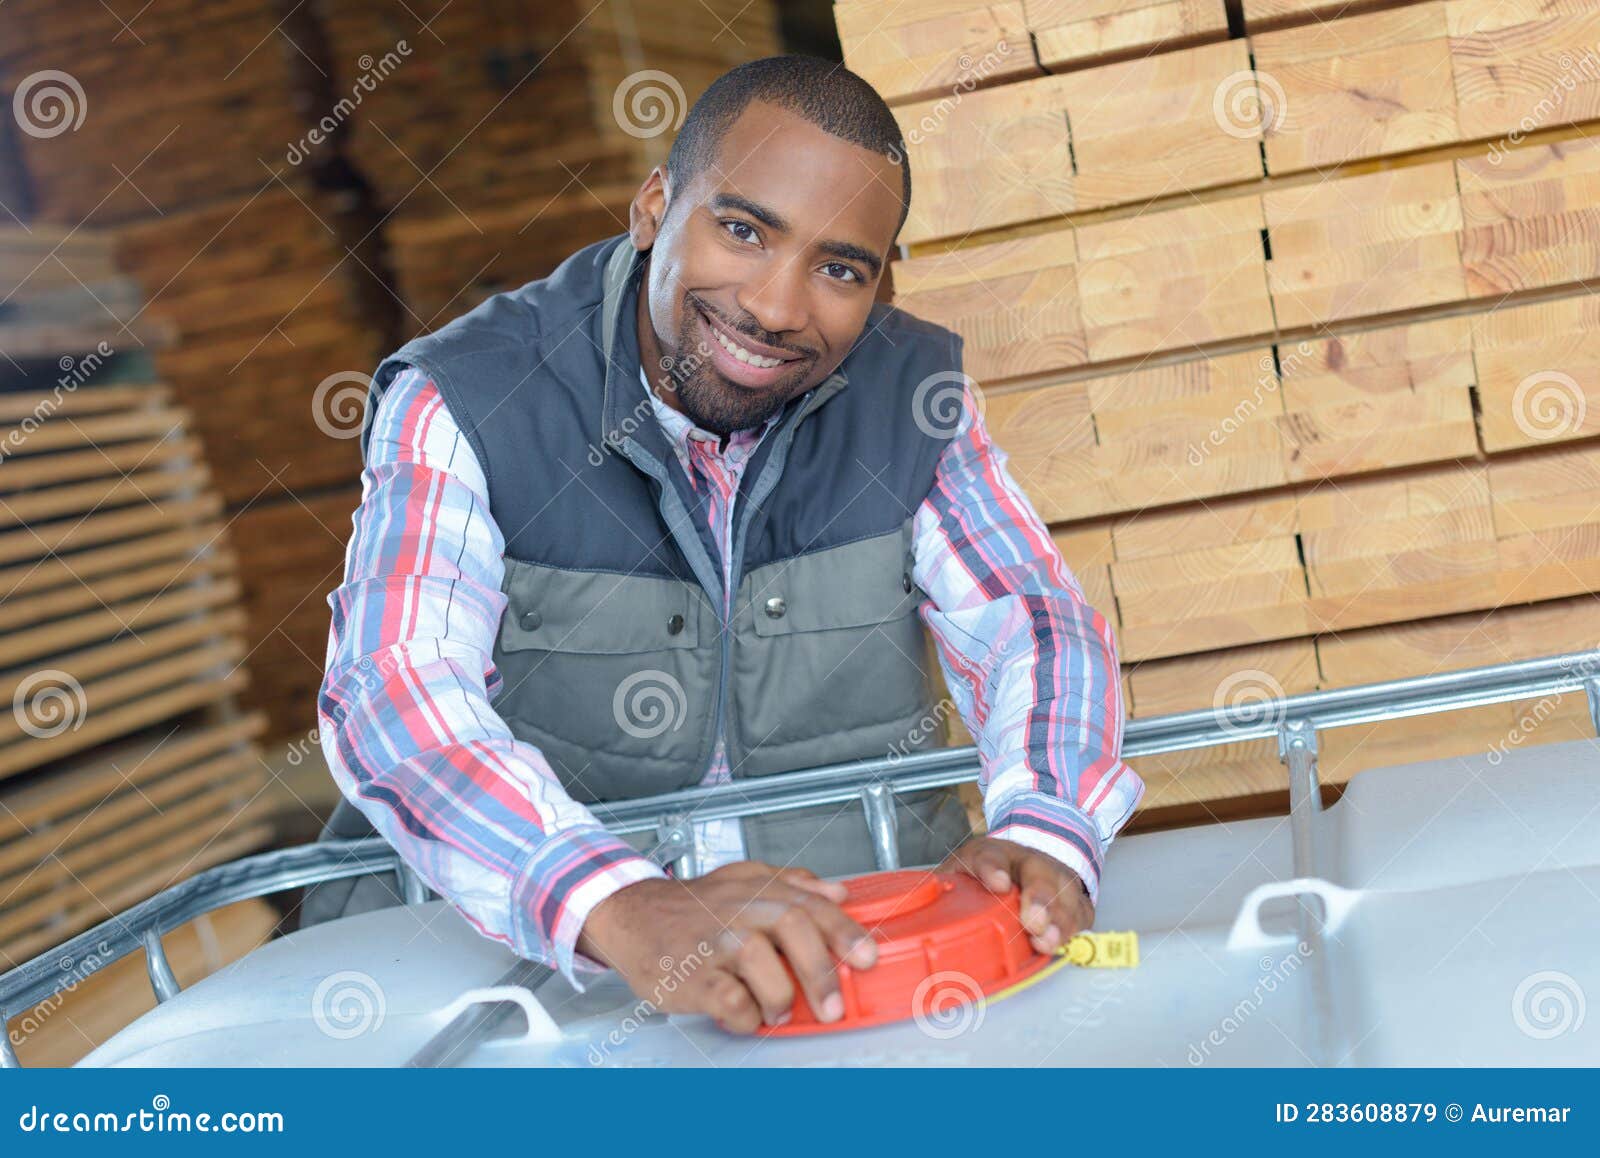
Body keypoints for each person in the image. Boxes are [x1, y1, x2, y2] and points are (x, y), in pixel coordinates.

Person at [311, 54, 1144, 1034]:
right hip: (523, 1018)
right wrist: (612, 901)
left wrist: (1046, 821)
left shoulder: (912, 397)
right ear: (653, 208)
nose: (776, 308)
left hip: (843, 997)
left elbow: (1033, 626)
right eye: (743, 231)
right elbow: (392, 688)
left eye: (839, 269)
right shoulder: (469, 396)